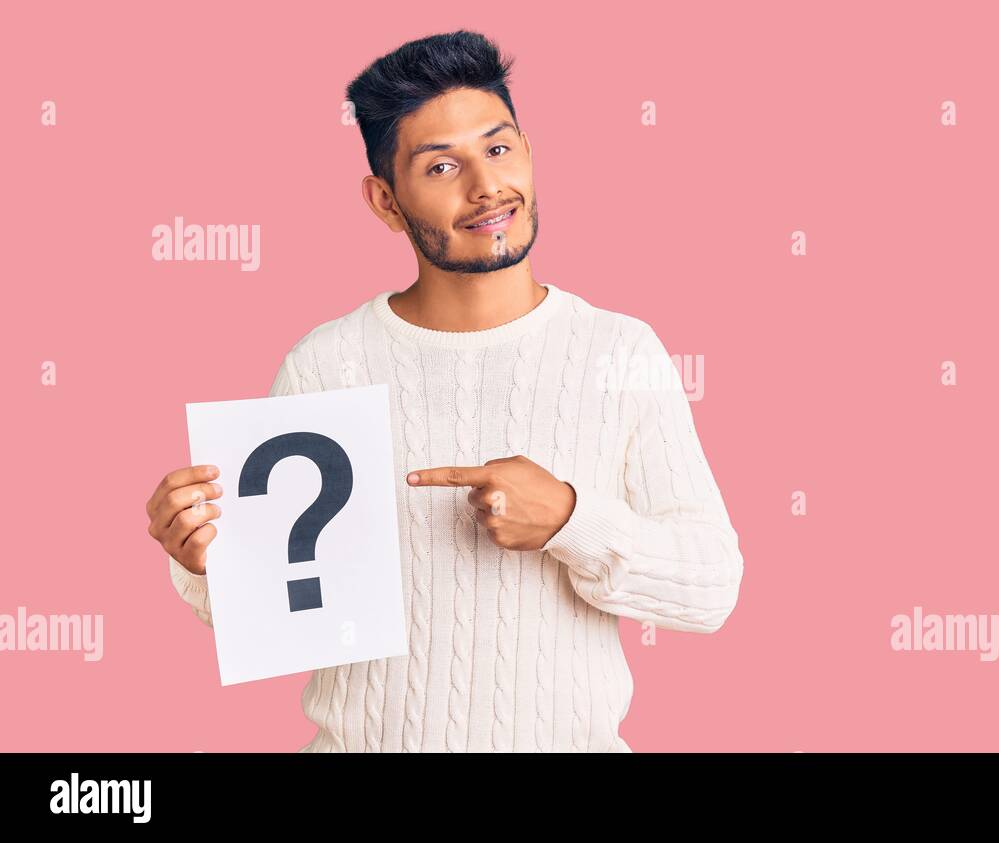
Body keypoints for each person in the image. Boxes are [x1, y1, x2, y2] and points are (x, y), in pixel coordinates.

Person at [142, 30, 744, 752]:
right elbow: (290, 613)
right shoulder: (326, 364)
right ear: (386, 202)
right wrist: (200, 558)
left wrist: (569, 520)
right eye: (440, 166)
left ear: (529, 151)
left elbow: (710, 589)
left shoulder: (620, 352)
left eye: (498, 148)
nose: (486, 186)